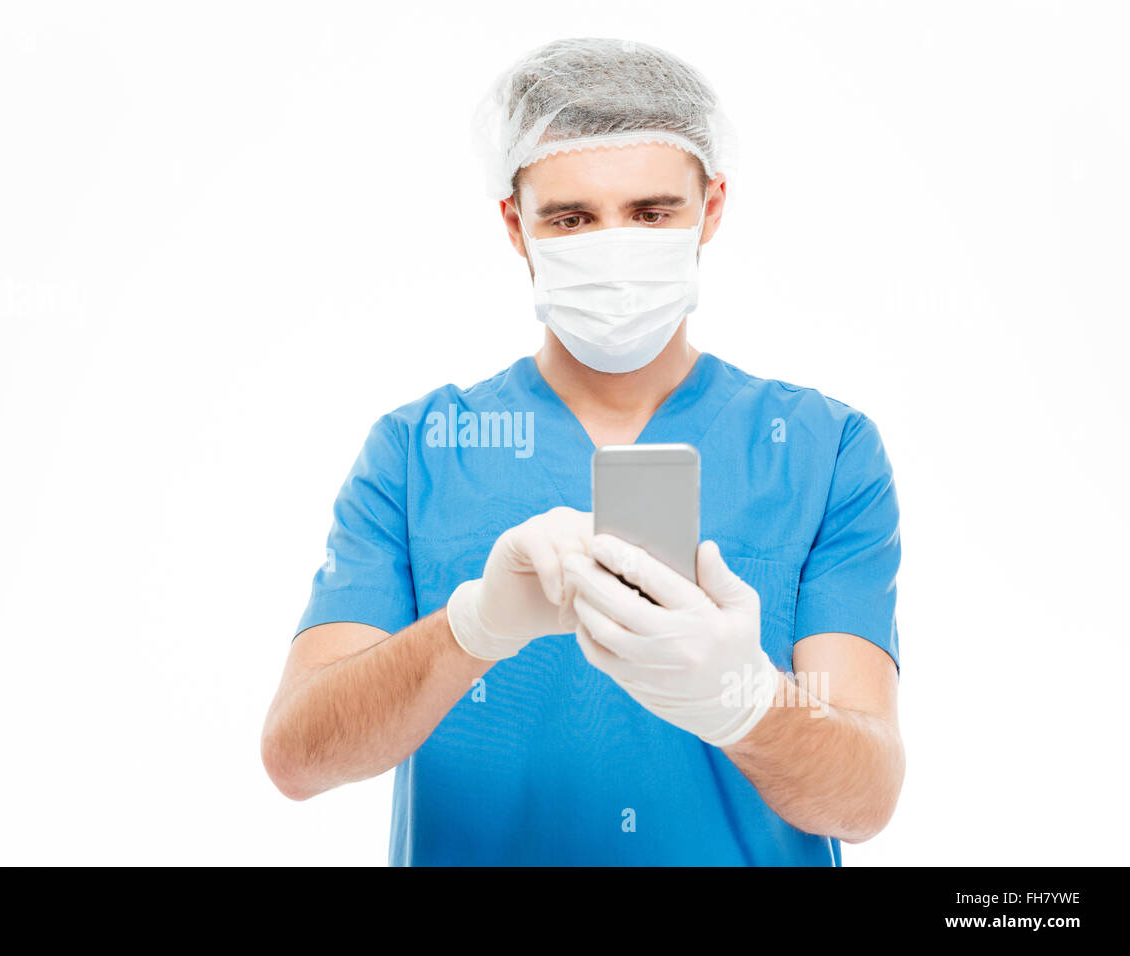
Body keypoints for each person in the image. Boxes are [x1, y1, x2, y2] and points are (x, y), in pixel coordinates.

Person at [262, 37, 904, 866]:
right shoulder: (417, 453)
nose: (613, 246)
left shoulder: (823, 451)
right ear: (514, 225)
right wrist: (472, 628)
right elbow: (298, 757)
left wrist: (742, 704)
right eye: (571, 218)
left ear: (710, 208)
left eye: (651, 213)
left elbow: (865, 798)